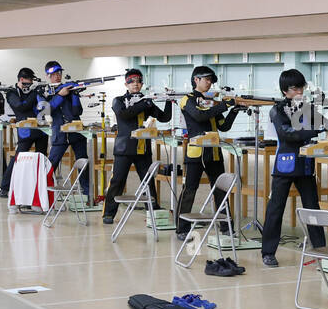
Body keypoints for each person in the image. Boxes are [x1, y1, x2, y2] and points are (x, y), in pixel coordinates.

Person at [260, 68, 328, 266]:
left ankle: (321, 252)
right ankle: (268, 252)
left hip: (305, 165)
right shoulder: (277, 110)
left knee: (313, 208)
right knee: (275, 209)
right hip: (285, 165)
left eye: (302, 88)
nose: (300, 92)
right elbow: (288, 133)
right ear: (285, 91)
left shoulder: (308, 108)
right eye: (295, 89)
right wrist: (315, 130)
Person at [175, 65, 243, 238]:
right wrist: (224, 106)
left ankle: (226, 226)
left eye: (211, 80)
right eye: (206, 79)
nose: (209, 83)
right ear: (196, 80)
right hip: (196, 153)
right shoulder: (187, 99)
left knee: (220, 190)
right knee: (190, 190)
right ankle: (182, 228)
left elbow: (223, 126)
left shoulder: (213, 103)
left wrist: (233, 110)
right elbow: (199, 116)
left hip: (214, 153)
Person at [102, 68, 173, 224]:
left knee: (148, 181)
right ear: (126, 83)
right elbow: (125, 115)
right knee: (117, 181)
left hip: (143, 148)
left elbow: (164, 117)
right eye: (132, 81)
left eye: (139, 81)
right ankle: (108, 213)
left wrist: (169, 100)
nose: (135, 84)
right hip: (124, 148)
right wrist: (144, 103)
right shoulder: (119, 100)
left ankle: (153, 211)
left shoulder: (146, 101)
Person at [43, 61, 91, 199]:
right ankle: (43, 193)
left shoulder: (68, 89)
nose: (57, 76)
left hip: (76, 133)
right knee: (51, 164)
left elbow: (78, 111)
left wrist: (74, 95)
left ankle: (87, 193)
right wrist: (60, 95)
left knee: (83, 163)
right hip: (60, 134)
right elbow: (47, 109)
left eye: (59, 73)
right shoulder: (45, 91)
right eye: (54, 74)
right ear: (48, 75)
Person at [0, 68, 47, 198]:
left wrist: (42, 93)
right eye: (29, 80)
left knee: (42, 158)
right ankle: (5, 186)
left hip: (41, 128)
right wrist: (34, 92)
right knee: (18, 158)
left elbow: (44, 106)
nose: (31, 82)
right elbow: (21, 107)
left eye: (32, 80)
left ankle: (40, 186)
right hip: (25, 129)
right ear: (21, 79)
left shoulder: (33, 91)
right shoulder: (11, 92)